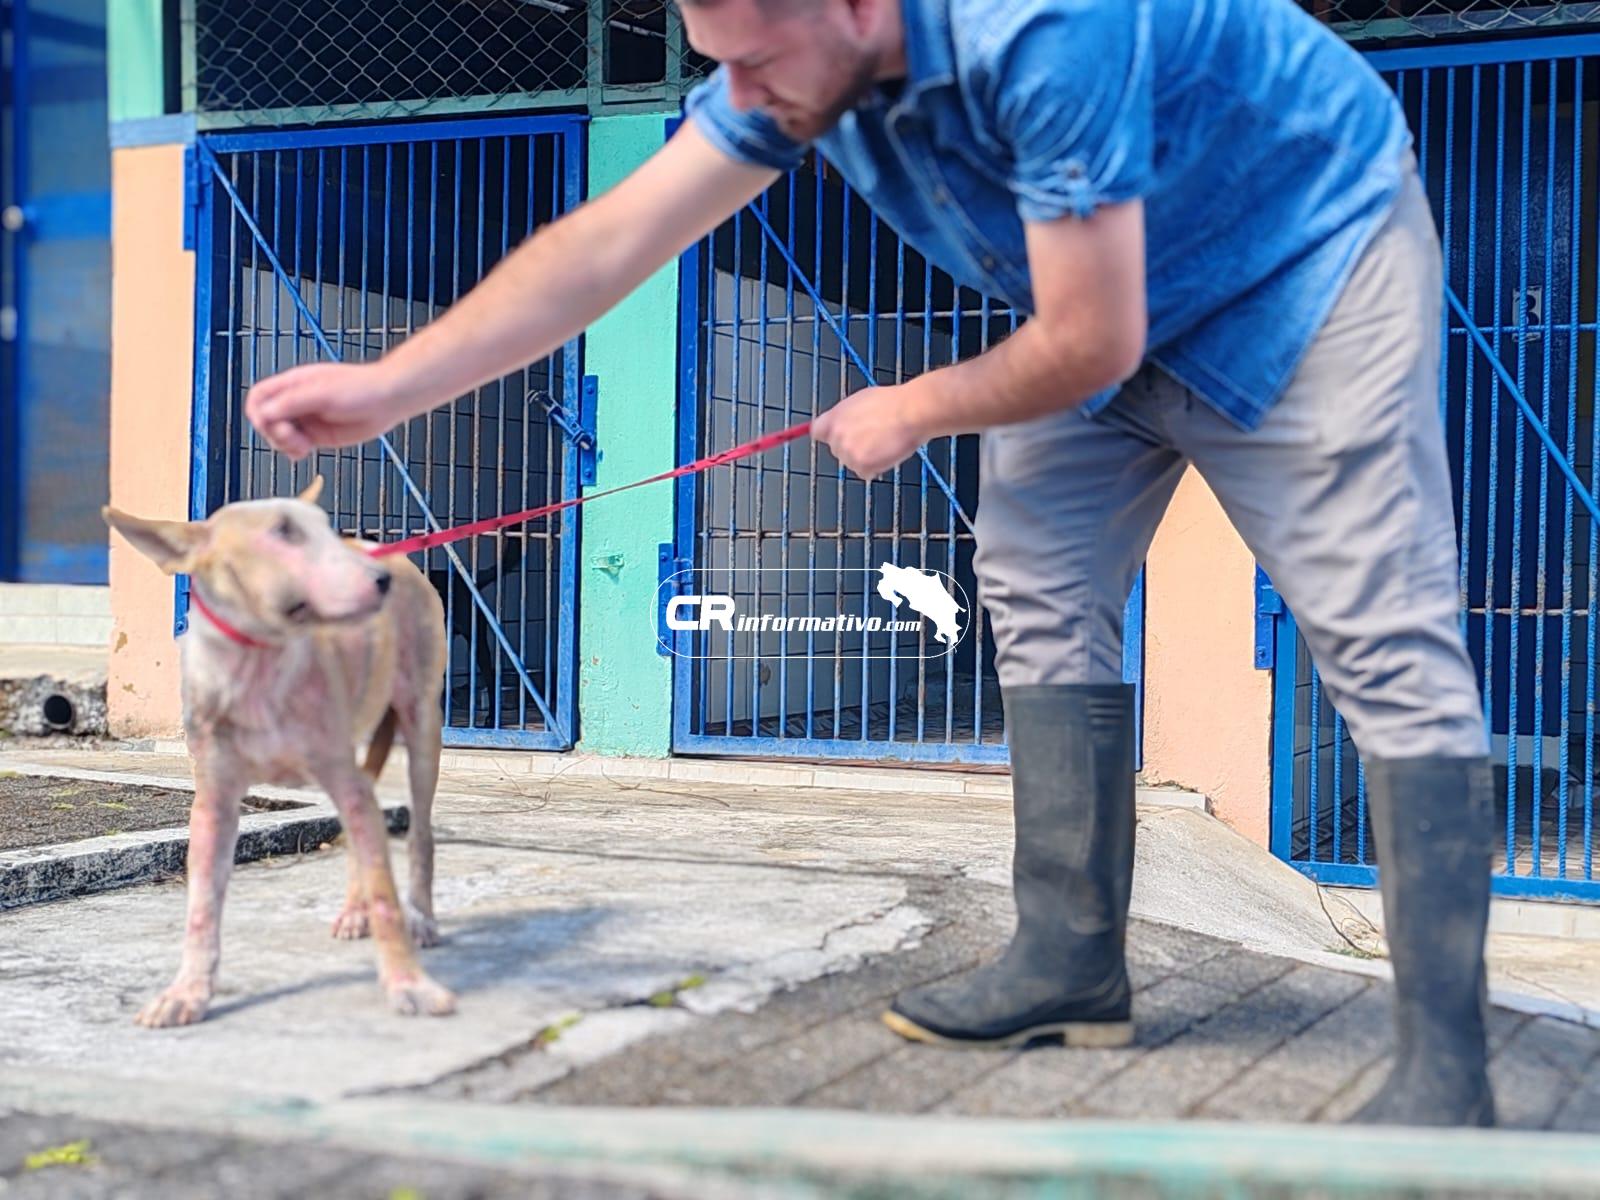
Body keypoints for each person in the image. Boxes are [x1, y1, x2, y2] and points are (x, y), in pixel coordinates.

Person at [247, 0, 1496, 1127]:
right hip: (1100, 286)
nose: (729, 81)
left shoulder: (1044, 32)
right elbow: (605, 245)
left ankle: (1446, 1066)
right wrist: (387, 387)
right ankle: (1070, 961)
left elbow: (1089, 343)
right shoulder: (786, 64)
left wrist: (912, 406)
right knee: (1038, 589)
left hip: (1304, 260)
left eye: (749, 50)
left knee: (1379, 635)